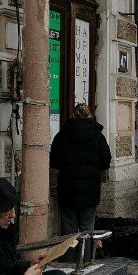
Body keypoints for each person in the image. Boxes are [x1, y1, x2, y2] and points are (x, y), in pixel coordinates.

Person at [50, 103, 113, 258]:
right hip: (90, 188)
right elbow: (106, 161)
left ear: (73, 115)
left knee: (68, 229)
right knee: (87, 228)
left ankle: (69, 260)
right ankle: (86, 260)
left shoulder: (62, 135)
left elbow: (54, 161)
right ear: (89, 115)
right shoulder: (98, 136)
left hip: (68, 188)